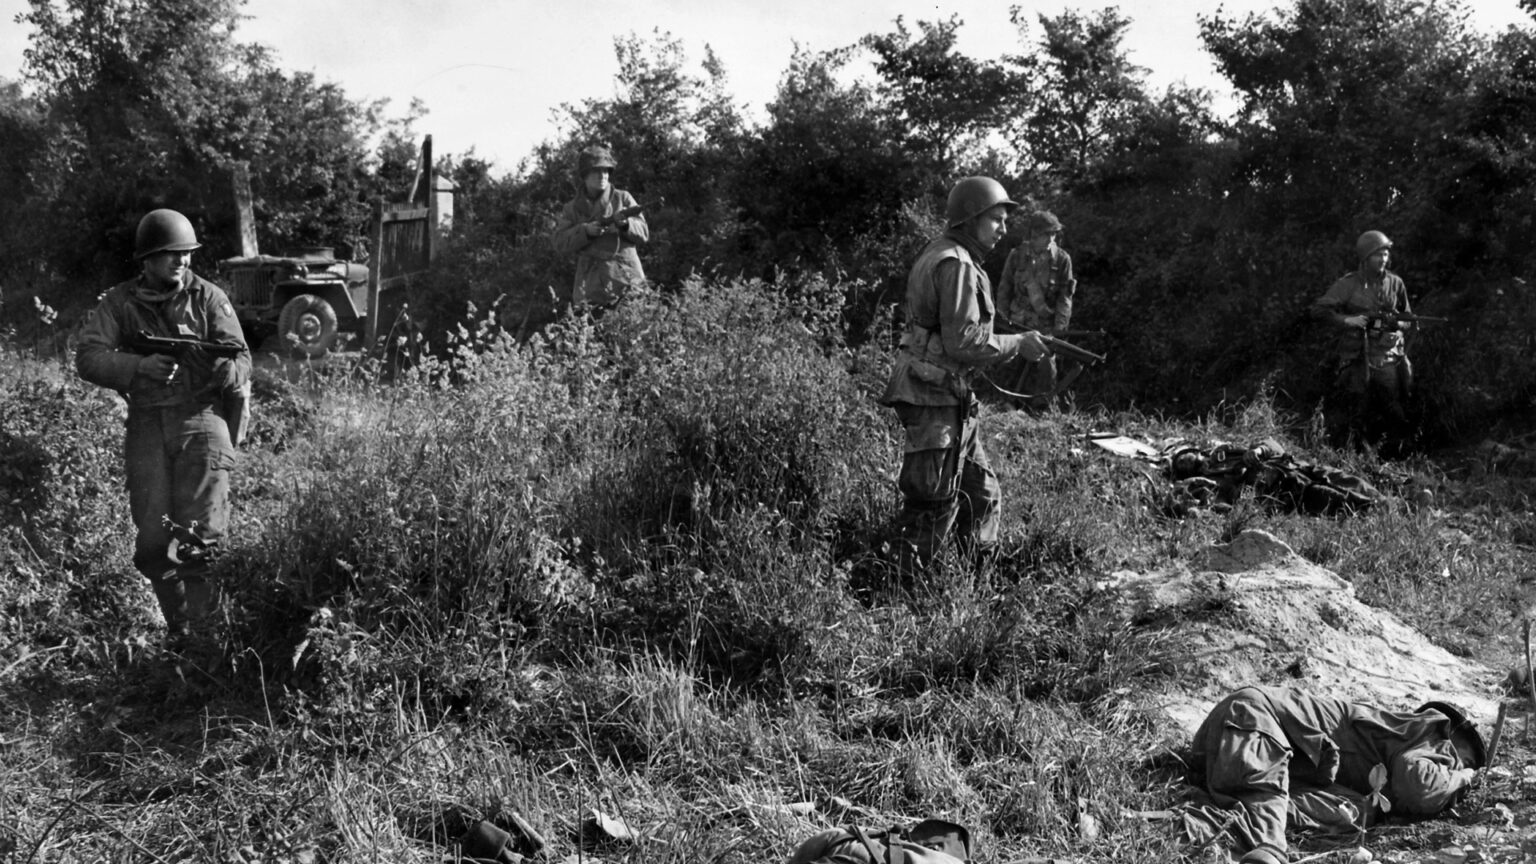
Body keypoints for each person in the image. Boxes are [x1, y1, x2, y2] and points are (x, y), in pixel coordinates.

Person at [76, 208, 251, 650]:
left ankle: (207, 647)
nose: (182, 262)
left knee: (200, 544)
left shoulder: (210, 299)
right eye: (171, 255)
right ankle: (179, 634)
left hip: (201, 421)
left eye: (187, 254)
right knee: (153, 547)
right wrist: (141, 367)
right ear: (147, 259)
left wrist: (216, 370)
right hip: (148, 426)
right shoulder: (120, 302)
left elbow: (243, 360)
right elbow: (89, 357)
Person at [877, 177, 1049, 575]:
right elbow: (964, 343)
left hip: (947, 396)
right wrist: (1016, 343)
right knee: (932, 506)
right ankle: (906, 599)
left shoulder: (946, 254)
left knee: (981, 496)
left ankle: (976, 588)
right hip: (932, 395)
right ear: (970, 219)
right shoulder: (955, 263)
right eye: (996, 219)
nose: (1003, 229)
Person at [1190, 686, 1487, 864]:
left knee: (1355, 813)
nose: (1456, 767)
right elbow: (1419, 786)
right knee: (1265, 834)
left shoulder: (1386, 760)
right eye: (1467, 759)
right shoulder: (1436, 732)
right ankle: (1266, 847)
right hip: (1253, 719)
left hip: (1233, 744)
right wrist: (1465, 777)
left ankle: (1189, 823)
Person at [1310, 230, 1417, 447]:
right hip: (1356, 356)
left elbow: (1409, 318)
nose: (1383, 260)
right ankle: (1350, 451)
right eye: (1378, 255)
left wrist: (1397, 323)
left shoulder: (1395, 283)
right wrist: (1347, 321)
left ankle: (1395, 453)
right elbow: (1319, 310)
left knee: (1393, 407)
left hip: (1386, 358)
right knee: (1356, 408)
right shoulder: (1348, 284)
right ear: (1366, 258)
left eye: (1386, 255)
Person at [996, 210, 1078, 411]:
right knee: (1009, 364)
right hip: (1016, 322)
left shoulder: (1061, 259)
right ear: (1034, 234)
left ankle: (1041, 408)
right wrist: (1001, 320)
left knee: (1046, 367)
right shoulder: (1017, 256)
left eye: (1054, 234)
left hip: (1045, 326)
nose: (1051, 238)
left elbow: (1064, 299)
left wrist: (1059, 331)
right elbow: (1004, 289)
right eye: (1046, 234)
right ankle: (1006, 403)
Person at [551, 144, 650, 311]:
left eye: (606, 171)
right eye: (596, 171)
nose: (602, 175)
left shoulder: (623, 198)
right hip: (590, 286)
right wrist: (585, 231)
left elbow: (644, 233)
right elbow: (560, 242)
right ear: (585, 175)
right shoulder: (572, 208)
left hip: (626, 281)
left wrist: (626, 224)